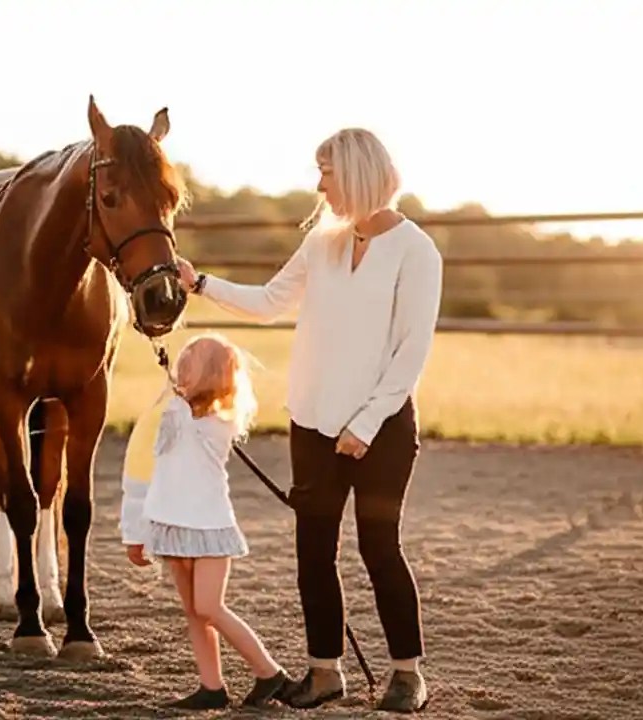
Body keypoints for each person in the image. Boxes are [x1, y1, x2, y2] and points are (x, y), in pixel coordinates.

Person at [175, 127, 443, 713]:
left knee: (379, 548)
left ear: (356, 173)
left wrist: (366, 425)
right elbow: (271, 300)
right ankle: (325, 673)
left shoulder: (417, 251)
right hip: (313, 424)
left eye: (327, 172)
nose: (319, 184)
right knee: (313, 552)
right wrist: (200, 284)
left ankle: (407, 674)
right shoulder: (322, 243)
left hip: (383, 430)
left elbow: (411, 352)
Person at [119, 332, 295, 710]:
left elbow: (182, 410)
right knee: (193, 612)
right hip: (171, 526)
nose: (182, 363)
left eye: (191, 359)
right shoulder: (171, 413)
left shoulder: (216, 423)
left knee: (209, 607)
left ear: (213, 375)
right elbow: (144, 467)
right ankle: (211, 686)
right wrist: (135, 532)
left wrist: (172, 380)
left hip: (209, 529)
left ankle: (269, 673)